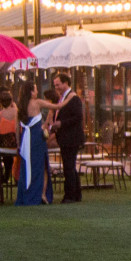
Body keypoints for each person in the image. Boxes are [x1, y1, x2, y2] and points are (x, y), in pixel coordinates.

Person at [14, 83, 57, 205]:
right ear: (31, 92)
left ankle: (37, 193)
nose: (37, 91)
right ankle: (40, 193)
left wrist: (18, 143)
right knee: (40, 166)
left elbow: (17, 128)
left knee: (33, 165)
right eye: (36, 89)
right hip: (37, 139)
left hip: (29, 139)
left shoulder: (21, 106)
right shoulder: (37, 103)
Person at [50, 73, 85, 202]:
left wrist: (61, 123)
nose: (56, 87)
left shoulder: (73, 98)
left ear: (66, 83)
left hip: (72, 138)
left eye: (58, 84)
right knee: (70, 166)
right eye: (55, 85)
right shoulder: (63, 98)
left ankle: (70, 195)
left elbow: (78, 117)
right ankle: (76, 193)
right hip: (65, 137)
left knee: (68, 167)